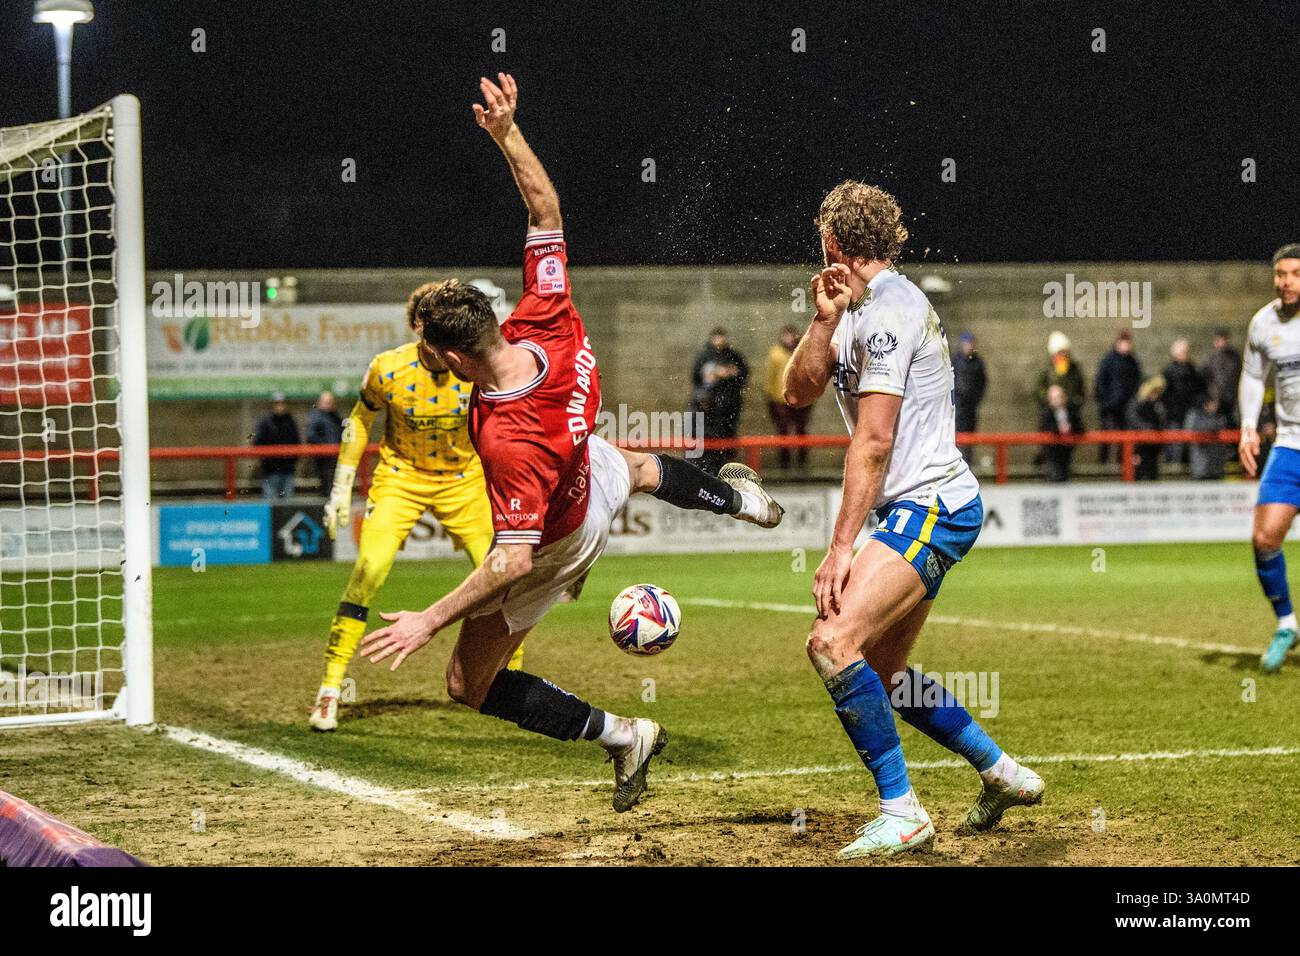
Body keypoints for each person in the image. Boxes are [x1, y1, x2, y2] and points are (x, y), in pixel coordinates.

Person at [358, 74, 783, 813]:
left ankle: (623, 735)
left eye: (425, 349)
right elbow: (545, 207)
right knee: (641, 465)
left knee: (468, 683)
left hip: (556, 534)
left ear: (456, 359)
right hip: (589, 465)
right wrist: (506, 133)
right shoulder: (545, 314)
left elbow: (512, 558)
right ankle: (740, 500)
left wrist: (429, 618)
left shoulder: (506, 435)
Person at [781, 179, 1042, 860]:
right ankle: (1002, 774)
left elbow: (872, 443)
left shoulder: (893, 312)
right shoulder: (854, 307)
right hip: (920, 509)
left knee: (833, 643)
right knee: (886, 671)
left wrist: (841, 551)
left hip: (929, 506)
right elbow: (795, 390)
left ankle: (902, 811)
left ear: (834, 242)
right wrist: (823, 319)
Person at [308, 286, 519, 732]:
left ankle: (510, 682)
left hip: (465, 482)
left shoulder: (476, 366)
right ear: (419, 329)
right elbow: (360, 419)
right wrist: (342, 484)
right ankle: (330, 690)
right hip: (401, 477)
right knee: (369, 569)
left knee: (504, 576)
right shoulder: (387, 368)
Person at [1238, 243, 1300, 673]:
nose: (1286, 282)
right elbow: (1253, 375)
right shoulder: (1263, 322)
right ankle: (1287, 624)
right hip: (1291, 444)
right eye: (1280, 274)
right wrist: (1247, 426)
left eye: (1294, 273)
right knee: (1264, 539)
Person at [690, 328, 749, 473]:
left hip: (730, 404)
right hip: (709, 406)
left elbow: (743, 374)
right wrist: (715, 374)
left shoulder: (733, 355)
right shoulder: (704, 356)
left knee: (728, 437)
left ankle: (725, 468)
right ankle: (707, 469)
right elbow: (696, 378)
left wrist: (731, 373)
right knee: (707, 438)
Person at [764, 325, 811, 470]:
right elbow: (770, 377)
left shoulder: (804, 351)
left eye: (792, 335)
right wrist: (770, 395)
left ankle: (802, 464)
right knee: (782, 431)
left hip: (801, 398)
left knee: (801, 430)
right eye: (786, 335)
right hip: (780, 399)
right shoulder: (775, 353)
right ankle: (784, 463)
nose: (789, 339)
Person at [1094, 330, 1142, 464]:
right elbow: (1100, 383)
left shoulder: (1133, 362)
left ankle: (1123, 463)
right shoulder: (1108, 360)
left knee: (1125, 437)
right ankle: (1102, 463)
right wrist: (1106, 402)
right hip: (1110, 407)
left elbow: (1138, 382)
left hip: (1127, 407)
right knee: (1106, 437)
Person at [1162, 339, 1203, 465]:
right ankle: (1173, 464)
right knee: (1174, 442)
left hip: (1190, 412)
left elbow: (1199, 390)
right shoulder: (1168, 371)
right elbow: (1165, 394)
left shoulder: (1193, 370)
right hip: (1174, 414)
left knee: (1189, 441)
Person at [253, 392, 299, 500]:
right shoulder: (265, 422)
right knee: (270, 503)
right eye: (277, 403)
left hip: (287, 470)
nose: (280, 406)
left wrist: (291, 461)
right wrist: (266, 461)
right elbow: (257, 442)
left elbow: (296, 442)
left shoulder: (290, 421)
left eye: (282, 403)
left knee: (287, 504)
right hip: (270, 471)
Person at [952, 331, 987, 464]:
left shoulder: (977, 362)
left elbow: (982, 382)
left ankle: (968, 463)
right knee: (957, 435)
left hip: (971, 407)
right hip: (958, 406)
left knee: (970, 436)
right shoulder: (955, 360)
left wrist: (977, 398)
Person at [1038, 384, 1085, 482]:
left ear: (1064, 397)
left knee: (1066, 477)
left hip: (1067, 450)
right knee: (1055, 476)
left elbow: (1081, 428)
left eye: (1059, 397)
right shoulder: (1046, 412)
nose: (1057, 400)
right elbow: (1044, 428)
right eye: (1053, 398)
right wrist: (1058, 428)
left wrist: (1070, 427)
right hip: (1052, 451)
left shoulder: (1071, 410)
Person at [1035, 330, 1086, 414]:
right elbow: (1039, 390)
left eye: (1065, 352)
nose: (1063, 355)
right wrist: (1050, 398)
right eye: (1059, 353)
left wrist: (1072, 401)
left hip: (1071, 412)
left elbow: (1081, 390)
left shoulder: (1074, 369)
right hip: (1050, 413)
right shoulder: (1046, 370)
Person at [305, 390, 344, 493]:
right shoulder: (315, 417)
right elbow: (311, 437)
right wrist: (326, 446)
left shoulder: (335, 417)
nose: (329, 404)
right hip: (323, 459)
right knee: (326, 485)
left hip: (337, 457)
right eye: (326, 402)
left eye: (331, 402)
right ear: (320, 402)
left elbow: (341, 434)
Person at [1128, 375, 1166, 481]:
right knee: (1137, 475)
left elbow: (1161, 423)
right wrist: (1149, 429)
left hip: (1152, 449)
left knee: (1152, 476)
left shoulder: (1157, 406)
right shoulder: (1136, 404)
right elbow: (1134, 421)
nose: (1156, 395)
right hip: (1139, 448)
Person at [1202, 328, 1243, 426]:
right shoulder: (1211, 360)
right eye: (1219, 340)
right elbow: (1206, 381)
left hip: (1232, 400)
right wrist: (1210, 399)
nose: (1221, 343)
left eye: (1223, 340)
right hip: (1216, 400)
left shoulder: (1235, 358)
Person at [1185, 395, 1228, 480]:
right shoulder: (1195, 416)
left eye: (1216, 403)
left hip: (1216, 467)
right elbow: (1189, 433)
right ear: (1205, 404)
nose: (1215, 406)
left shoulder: (1220, 418)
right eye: (1212, 403)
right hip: (1200, 467)